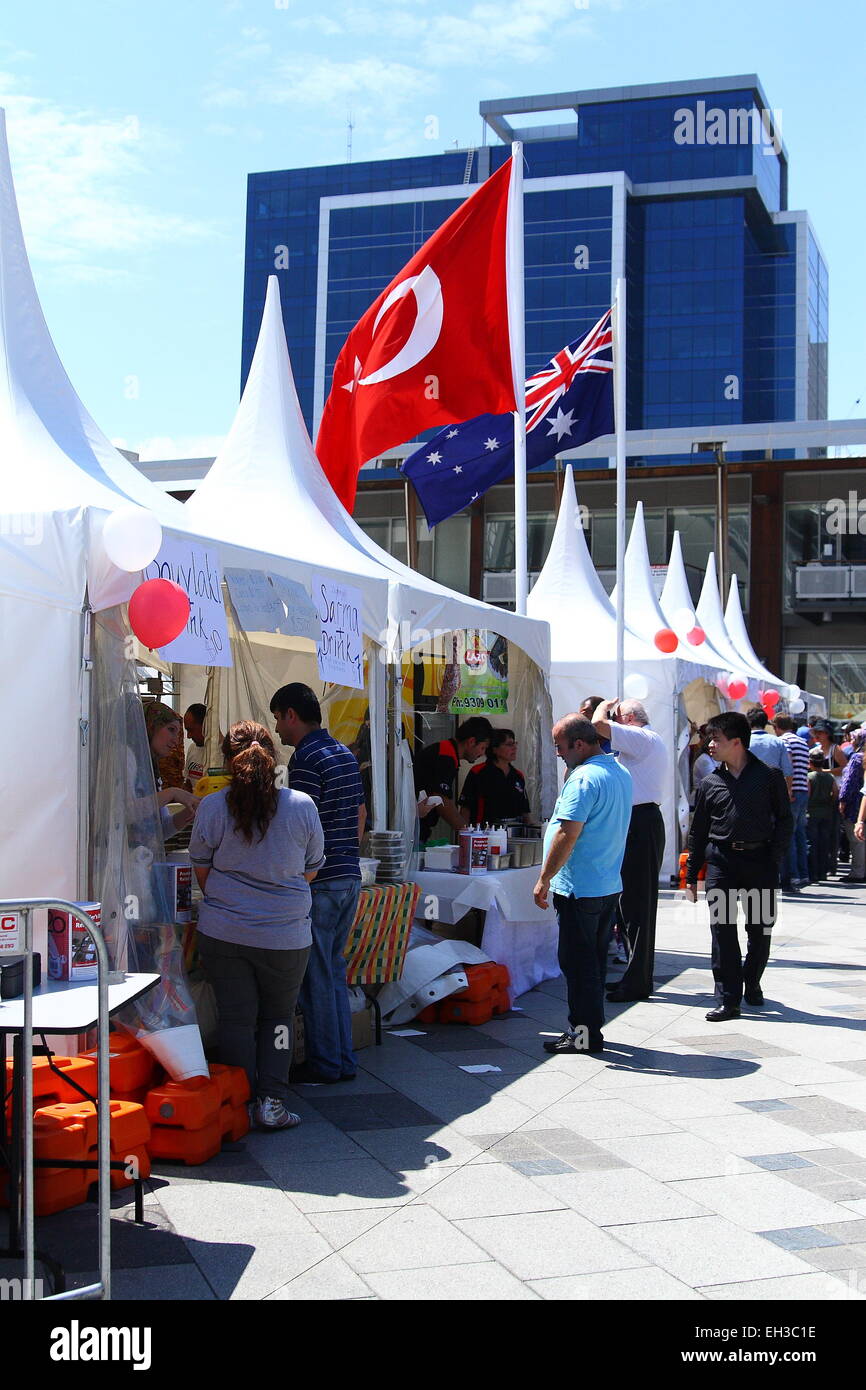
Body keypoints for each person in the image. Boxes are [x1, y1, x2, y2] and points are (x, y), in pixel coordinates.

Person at [190, 722, 325, 1130]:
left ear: (227, 761)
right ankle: (272, 1102)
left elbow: (200, 867)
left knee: (236, 1019)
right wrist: (277, 896)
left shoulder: (213, 807)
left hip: (224, 931)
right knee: (278, 1018)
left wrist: (233, 902)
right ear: (274, 756)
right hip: (285, 934)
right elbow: (312, 870)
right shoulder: (301, 806)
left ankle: (238, 1105)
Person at [270, 682, 366, 1085]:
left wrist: (298, 875)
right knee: (332, 971)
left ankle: (328, 1063)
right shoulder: (343, 752)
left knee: (317, 976)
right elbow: (360, 814)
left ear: (292, 715)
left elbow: (300, 825)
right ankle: (341, 1059)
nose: (276, 728)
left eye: (278, 718)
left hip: (321, 881)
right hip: (348, 876)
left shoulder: (306, 758)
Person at [532, 715, 631, 1054]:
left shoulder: (586, 778)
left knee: (579, 965)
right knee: (592, 963)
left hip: (581, 886)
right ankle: (588, 1031)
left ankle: (584, 1035)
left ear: (579, 744)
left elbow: (567, 832)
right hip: (604, 883)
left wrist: (545, 878)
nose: (558, 753)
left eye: (561, 747)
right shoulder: (617, 771)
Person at [685, 711, 792, 1020]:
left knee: (759, 931)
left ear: (736, 742)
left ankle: (752, 981)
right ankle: (728, 998)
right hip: (722, 863)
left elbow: (785, 820)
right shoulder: (710, 782)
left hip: (760, 862)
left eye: (715, 739)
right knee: (722, 930)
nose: (708, 745)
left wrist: (774, 857)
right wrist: (692, 875)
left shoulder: (768, 776)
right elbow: (699, 831)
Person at [591, 698, 667, 1002]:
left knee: (636, 907)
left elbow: (598, 726)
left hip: (641, 823)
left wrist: (604, 710)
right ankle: (636, 978)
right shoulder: (644, 741)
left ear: (629, 718)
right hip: (636, 822)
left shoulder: (642, 737)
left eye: (617, 719)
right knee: (630, 906)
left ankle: (637, 981)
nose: (613, 725)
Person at [414, 717, 493, 843]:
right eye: (483, 748)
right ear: (472, 741)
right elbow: (441, 798)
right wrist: (469, 833)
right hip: (413, 828)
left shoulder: (448, 753)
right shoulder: (446, 756)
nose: (482, 754)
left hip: (419, 827)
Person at [141, 701, 199, 837]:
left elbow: (161, 830)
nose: (175, 741)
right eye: (171, 730)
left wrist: (192, 810)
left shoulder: (151, 769)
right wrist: (171, 793)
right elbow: (122, 812)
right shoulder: (127, 758)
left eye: (178, 734)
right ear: (152, 726)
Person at [459, 728, 531, 826]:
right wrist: (464, 833)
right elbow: (465, 808)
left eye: (515, 743)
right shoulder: (478, 772)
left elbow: (525, 811)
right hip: (484, 833)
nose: (514, 748)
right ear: (494, 749)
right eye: (509, 744)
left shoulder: (518, 775)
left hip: (514, 833)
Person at [773, 714, 811, 891]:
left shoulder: (784, 741)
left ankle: (793, 875)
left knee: (788, 835)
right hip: (802, 790)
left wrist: (786, 790)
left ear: (777, 726)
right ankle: (803, 873)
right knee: (800, 835)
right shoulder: (802, 742)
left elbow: (787, 766)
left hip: (792, 792)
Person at [746, 708, 793, 798]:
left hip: (748, 790)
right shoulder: (778, 742)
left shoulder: (743, 742)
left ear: (749, 722)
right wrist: (788, 790)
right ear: (765, 723)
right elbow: (788, 770)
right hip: (773, 791)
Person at [838, 729, 866, 883]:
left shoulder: (856, 758)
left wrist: (842, 800)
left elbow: (848, 782)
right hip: (862, 802)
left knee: (856, 840)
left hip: (856, 804)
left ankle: (858, 872)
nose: (852, 740)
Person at [807, 747, 838, 882]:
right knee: (825, 843)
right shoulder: (830, 777)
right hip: (826, 812)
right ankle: (823, 872)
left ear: (810, 763)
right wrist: (829, 803)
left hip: (812, 812)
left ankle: (813, 874)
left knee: (812, 843)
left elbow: (808, 794)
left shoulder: (809, 777)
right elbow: (835, 792)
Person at [183, 703, 208, 789]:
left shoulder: (221, 752)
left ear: (205, 726)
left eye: (191, 730)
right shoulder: (192, 748)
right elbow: (188, 782)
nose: (188, 736)